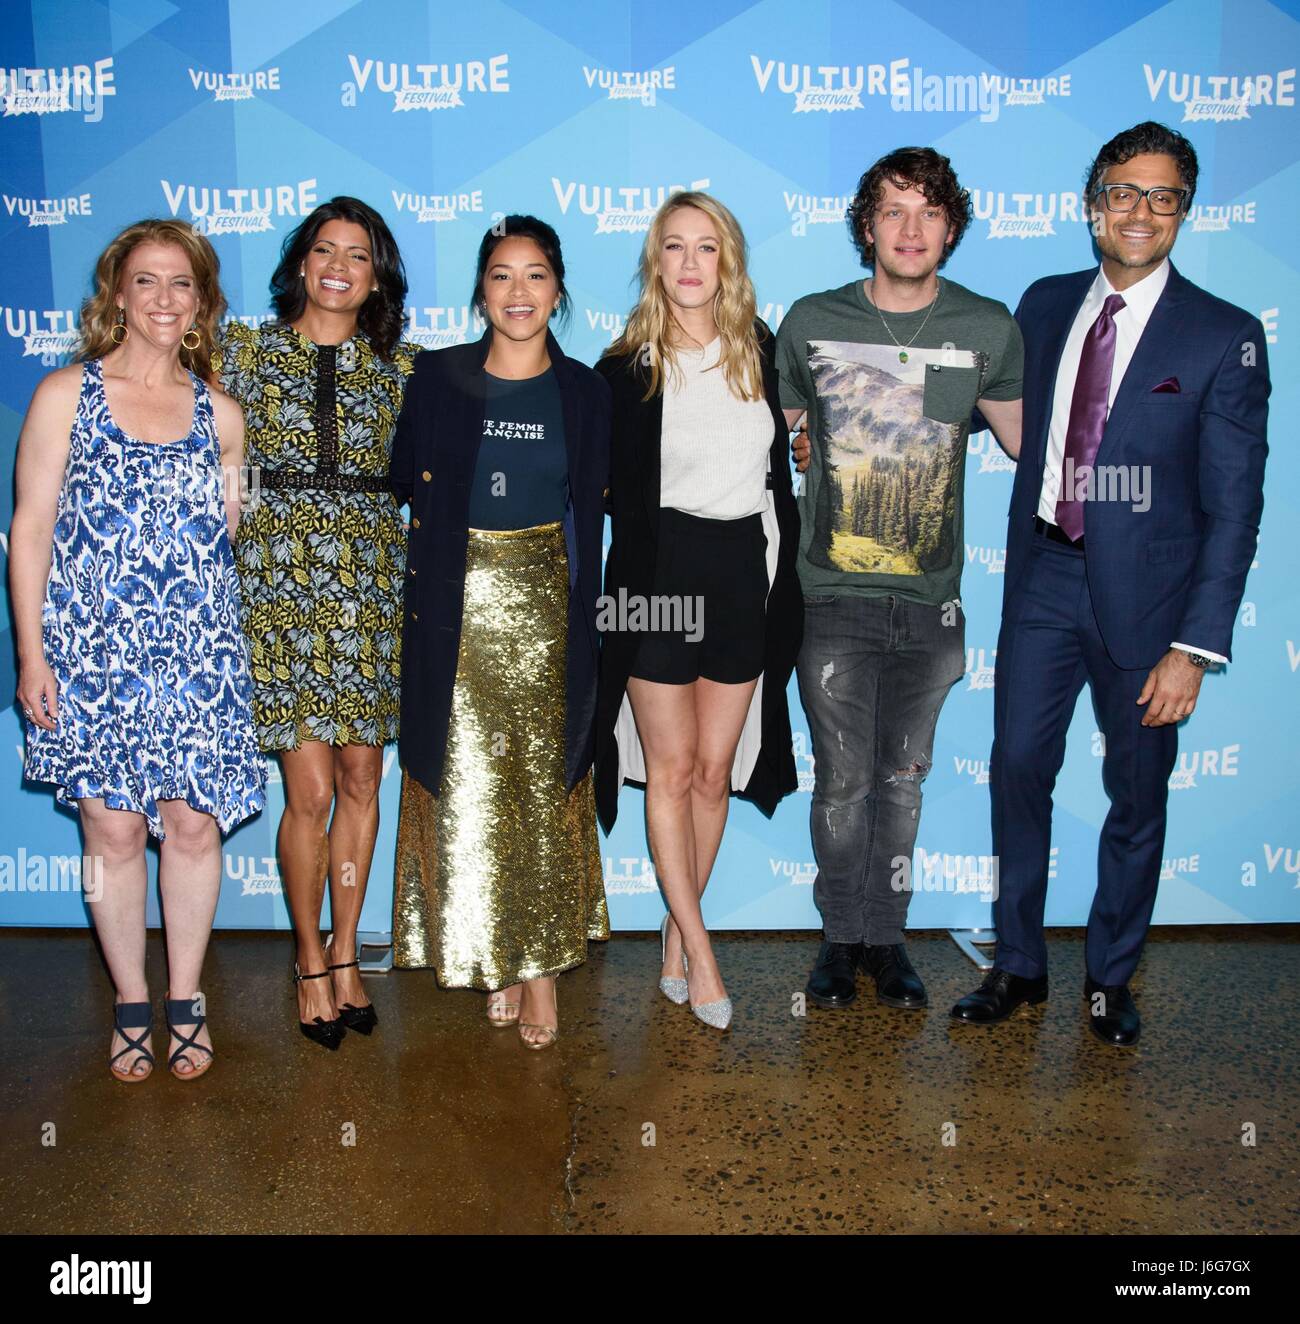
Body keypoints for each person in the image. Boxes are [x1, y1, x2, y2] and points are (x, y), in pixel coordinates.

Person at [950, 122, 1269, 1046]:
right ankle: (1017, 964)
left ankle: (1109, 979)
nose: (1141, 211)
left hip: (1154, 611)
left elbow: (1235, 508)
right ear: (1093, 202)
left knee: (1137, 796)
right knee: (1017, 770)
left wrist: (1195, 649)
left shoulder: (1224, 335)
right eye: (1124, 192)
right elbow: (979, 408)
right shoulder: (1044, 304)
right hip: (1045, 575)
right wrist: (857, 425)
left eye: (1163, 196)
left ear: (1184, 213)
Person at [12, 219, 264, 1082]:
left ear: (202, 302)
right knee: (112, 830)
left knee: (193, 826)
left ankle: (185, 997)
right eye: (147, 281)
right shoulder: (62, 396)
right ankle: (129, 999)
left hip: (196, 652)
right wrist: (32, 656)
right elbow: (31, 529)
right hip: (90, 653)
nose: (164, 298)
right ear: (117, 292)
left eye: (181, 284)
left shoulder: (222, 415)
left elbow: (227, 537)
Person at [777, 147, 1022, 1013]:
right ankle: (841, 942)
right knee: (842, 781)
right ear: (866, 226)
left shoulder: (987, 328)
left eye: (927, 212)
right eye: (892, 211)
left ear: (950, 228)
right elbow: (775, 437)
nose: (910, 229)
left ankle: (890, 939)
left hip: (932, 606)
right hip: (830, 596)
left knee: (901, 783)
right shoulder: (811, 320)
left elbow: (1032, 446)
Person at [390, 215, 611, 1050]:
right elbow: (410, 482)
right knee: (470, 783)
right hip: (455, 604)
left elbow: (599, 499)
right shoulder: (437, 378)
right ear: (481, 291)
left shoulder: (586, 391)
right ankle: (489, 948)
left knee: (543, 786)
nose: (519, 293)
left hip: (548, 605)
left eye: (536, 276)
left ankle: (540, 970)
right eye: (501, 276)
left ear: (558, 290)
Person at [595, 192, 802, 1031]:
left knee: (717, 774)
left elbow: (782, 469)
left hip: (739, 571)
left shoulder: (761, 350)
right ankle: (704, 952)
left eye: (706, 247)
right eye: (673, 247)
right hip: (653, 574)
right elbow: (598, 489)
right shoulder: (625, 366)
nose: (689, 263)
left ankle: (678, 939)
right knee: (670, 772)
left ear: (729, 260)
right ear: (655, 261)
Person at [214, 197, 416, 1049]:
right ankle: (306, 956)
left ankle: (346, 951)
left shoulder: (405, 369)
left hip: (371, 585)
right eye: (324, 250)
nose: (339, 265)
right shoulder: (241, 353)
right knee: (311, 789)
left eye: (358, 255)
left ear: (377, 275)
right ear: (300, 263)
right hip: (276, 588)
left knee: (365, 783)